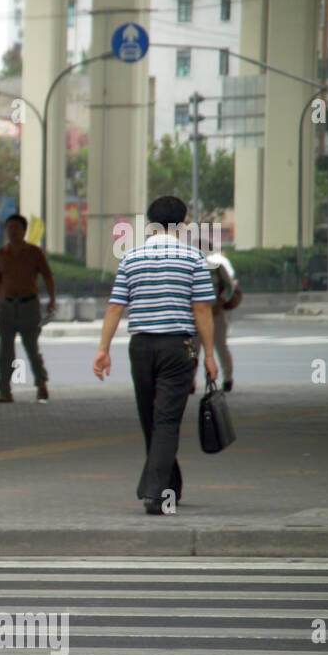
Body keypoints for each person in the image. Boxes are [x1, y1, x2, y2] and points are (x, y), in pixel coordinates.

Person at [92, 195, 218, 516]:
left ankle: (167, 484)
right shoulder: (193, 259)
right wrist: (209, 356)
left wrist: (103, 349)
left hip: (141, 349)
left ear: (149, 223)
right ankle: (155, 494)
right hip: (177, 349)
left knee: (151, 419)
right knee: (166, 421)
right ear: (183, 223)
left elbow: (115, 307)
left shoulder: (131, 258)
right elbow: (202, 309)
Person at [0, 214, 56, 403]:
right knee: (5, 352)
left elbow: (48, 276)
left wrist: (52, 299)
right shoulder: (1, 254)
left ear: (24, 231)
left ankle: (41, 384)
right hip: (7, 307)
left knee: (32, 349)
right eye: (9, 228)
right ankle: (4, 390)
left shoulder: (34, 252)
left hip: (29, 306)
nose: (12, 232)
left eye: (16, 228)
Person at [200, 251, 237, 393]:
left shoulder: (217, 267)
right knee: (194, 349)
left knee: (221, 346)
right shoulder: (190, 267)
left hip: (215, 313)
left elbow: (229, 287)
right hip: (197, 314)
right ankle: (190, 380)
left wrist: (220, 303)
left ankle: (227, 378)